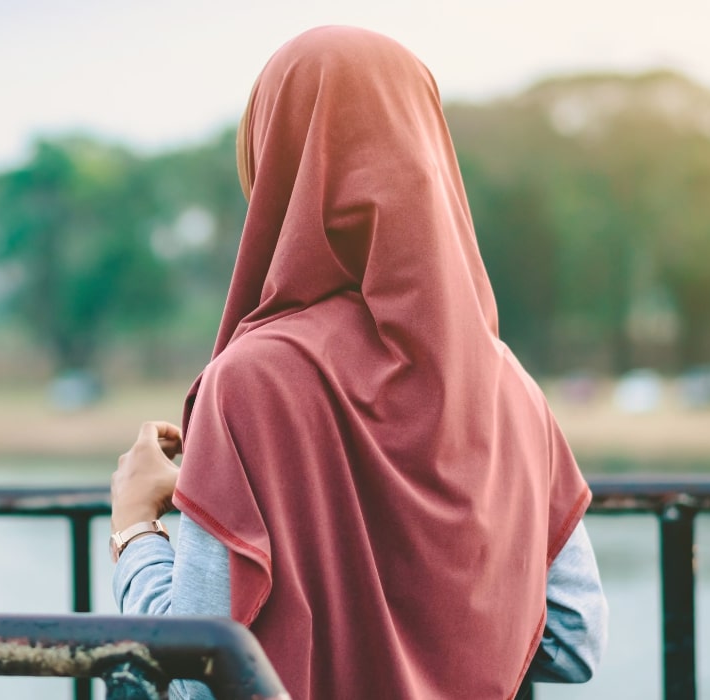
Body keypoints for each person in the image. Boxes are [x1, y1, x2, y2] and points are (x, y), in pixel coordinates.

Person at [109, 26, 607, 700]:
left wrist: (136, 527)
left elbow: (197, 681)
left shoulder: (250, 385)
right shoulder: (508, 385)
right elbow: (574, 640)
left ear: (273, 160)